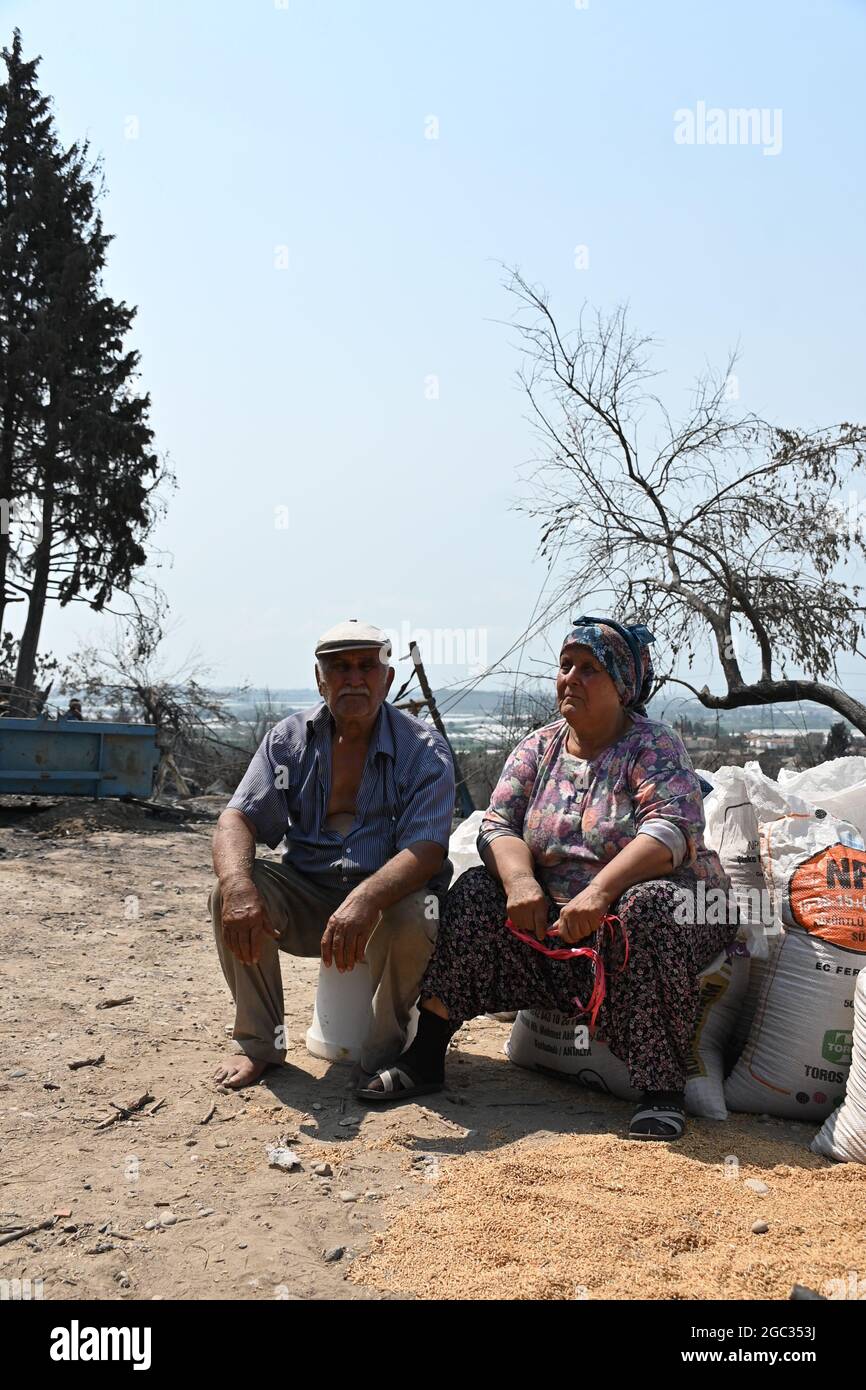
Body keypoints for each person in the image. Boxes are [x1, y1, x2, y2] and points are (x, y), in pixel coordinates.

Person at [360, 616, 735, 1141]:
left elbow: (671, 832)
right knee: (473, 893)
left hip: (657, 910)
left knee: (646, 909)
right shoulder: (540, 747)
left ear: (624, 686)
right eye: (565, 667)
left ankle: (661, 1088)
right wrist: (520, 884)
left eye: (589, 669)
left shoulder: (653, 746)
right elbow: (496, 824)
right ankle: (425, 1054)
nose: (570, 679)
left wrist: (600, 893)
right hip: (558, 921)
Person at [210, 619, 456, 1091]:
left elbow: (425, 850)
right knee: (229, 892)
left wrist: (365, 900)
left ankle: (384, 1052)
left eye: (367, 666)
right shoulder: (289, 740)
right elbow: (236, 818)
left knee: (418, 911)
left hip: (385, 900)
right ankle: (259, 1045)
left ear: (387, 677)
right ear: (319, 678)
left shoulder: (422, 750)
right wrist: (240, 886)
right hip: (308, 894)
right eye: (339, 668)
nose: (354, 679)